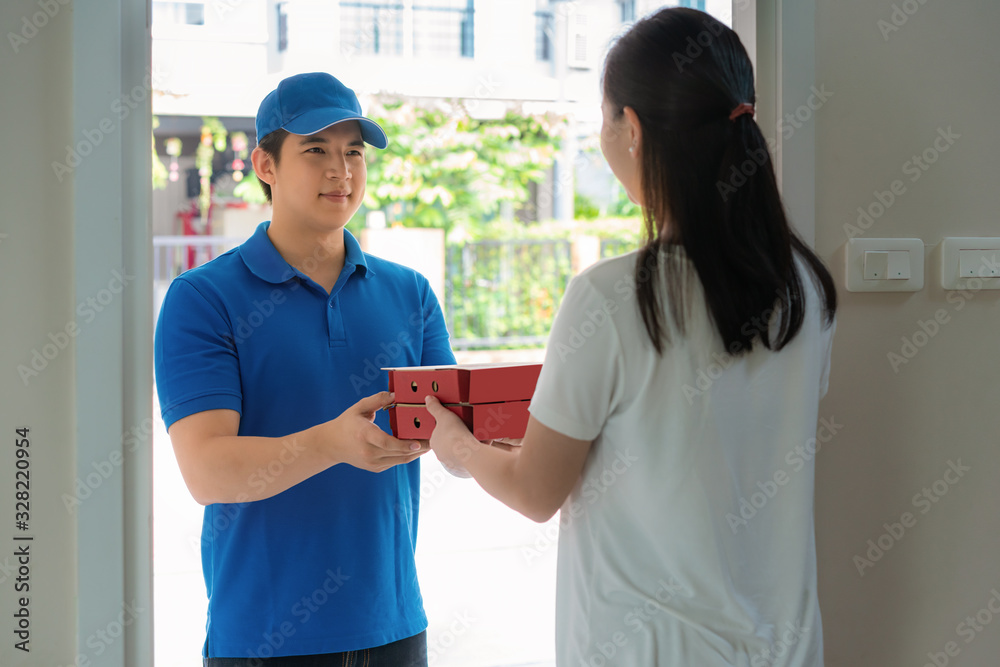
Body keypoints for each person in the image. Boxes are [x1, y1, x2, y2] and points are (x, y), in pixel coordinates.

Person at [425, 8, 837, 667]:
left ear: (633, 129)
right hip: (788, 649)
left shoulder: (613, 297)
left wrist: (456, 443)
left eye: (604, 116)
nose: (601, 133)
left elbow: (535, 491)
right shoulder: (805, 292)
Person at [154, 71, 454, 666]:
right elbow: (207, 472)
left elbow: (453, 433)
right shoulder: (203, 299)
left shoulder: (410, 293)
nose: (340, 171)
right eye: (315, 151)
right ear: (266, 164)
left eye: (354, 153)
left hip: (394, 629)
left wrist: (508, 430)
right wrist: (332, 443)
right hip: (264, 639)